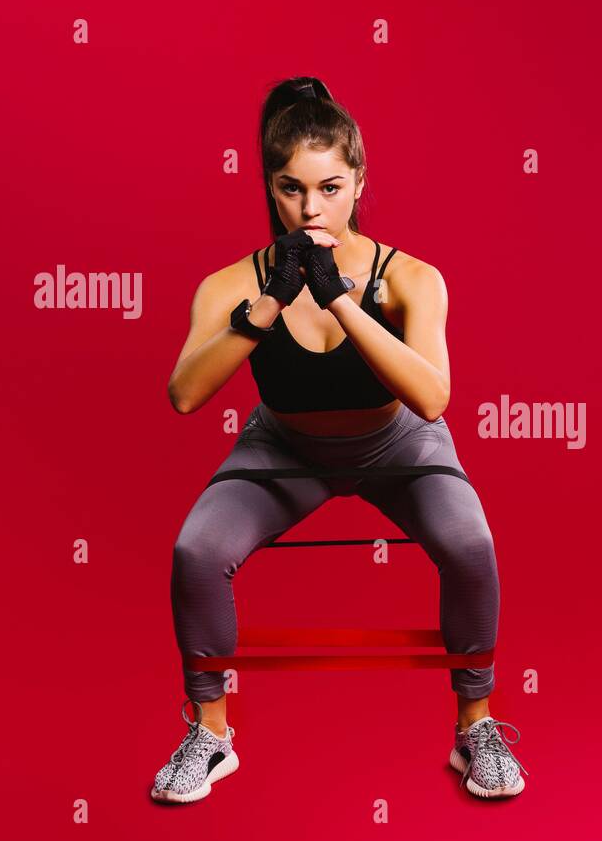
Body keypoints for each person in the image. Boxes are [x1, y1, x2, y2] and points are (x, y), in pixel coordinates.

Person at [150, 76, 527, 804]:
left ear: (358, 181)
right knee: (196, 550)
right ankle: (211, 734)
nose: (312, 208)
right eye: (292, 189)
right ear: (269, 186)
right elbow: (185, 395)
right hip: (283, 451)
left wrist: (339, 300)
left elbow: (431, 397)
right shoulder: (233, 284)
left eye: (330, 187)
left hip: (400, 446)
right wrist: (268, 303)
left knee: (472, 545)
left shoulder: (412, 277)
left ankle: (475, 727)